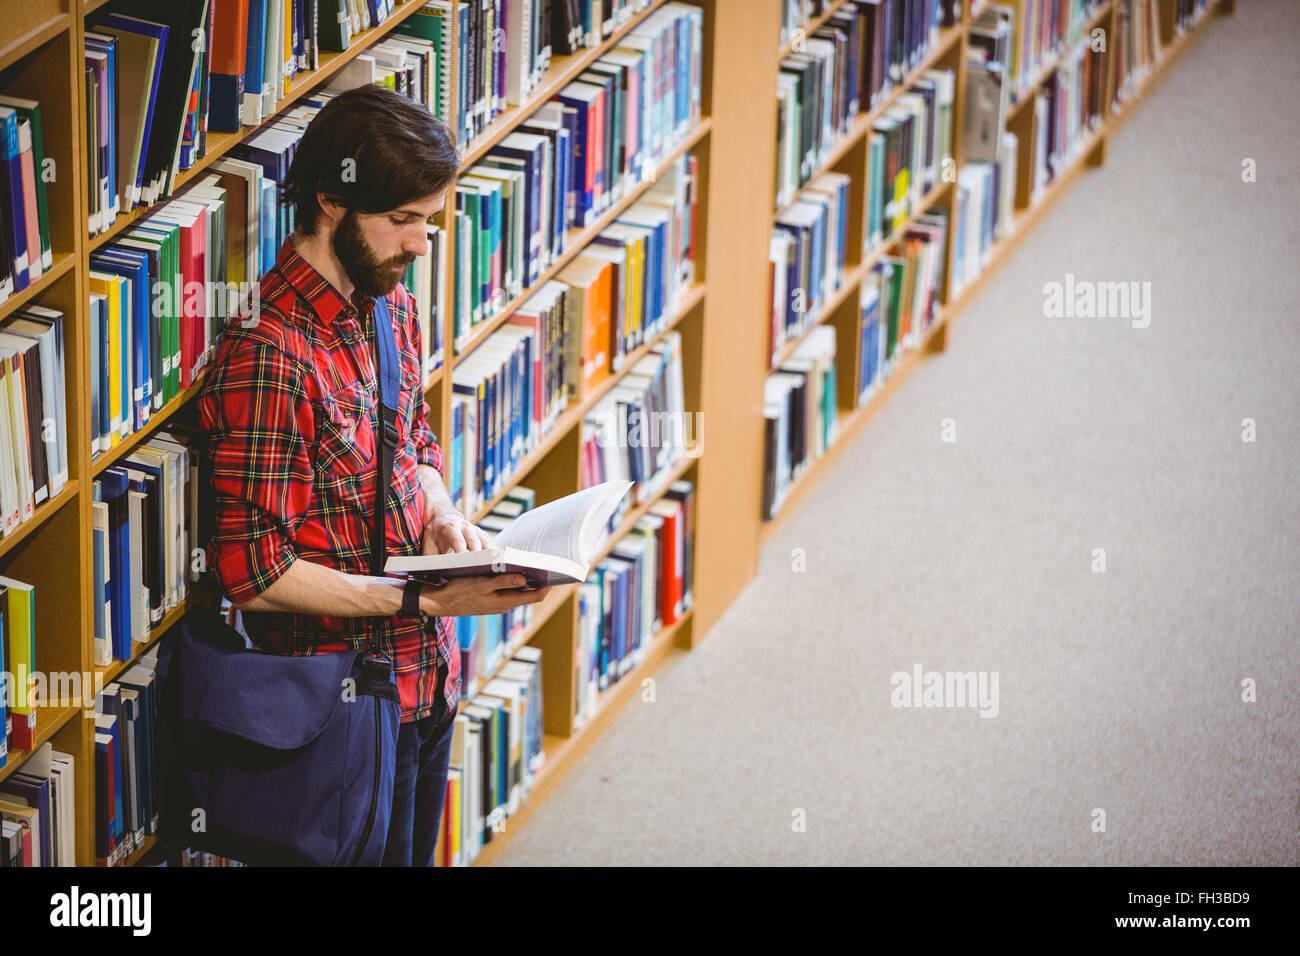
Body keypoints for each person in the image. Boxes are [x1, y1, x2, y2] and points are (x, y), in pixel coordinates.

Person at [196, 85, 549, 866]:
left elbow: (415, 441)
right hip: (339, 710)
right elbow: (254, 573)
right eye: (403, 220)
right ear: (330, 201)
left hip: (427, 682)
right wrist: (425, 595)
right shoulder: (271, 356)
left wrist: (440, 511)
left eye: (429, 219)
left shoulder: (391, 308)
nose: (423, 243)